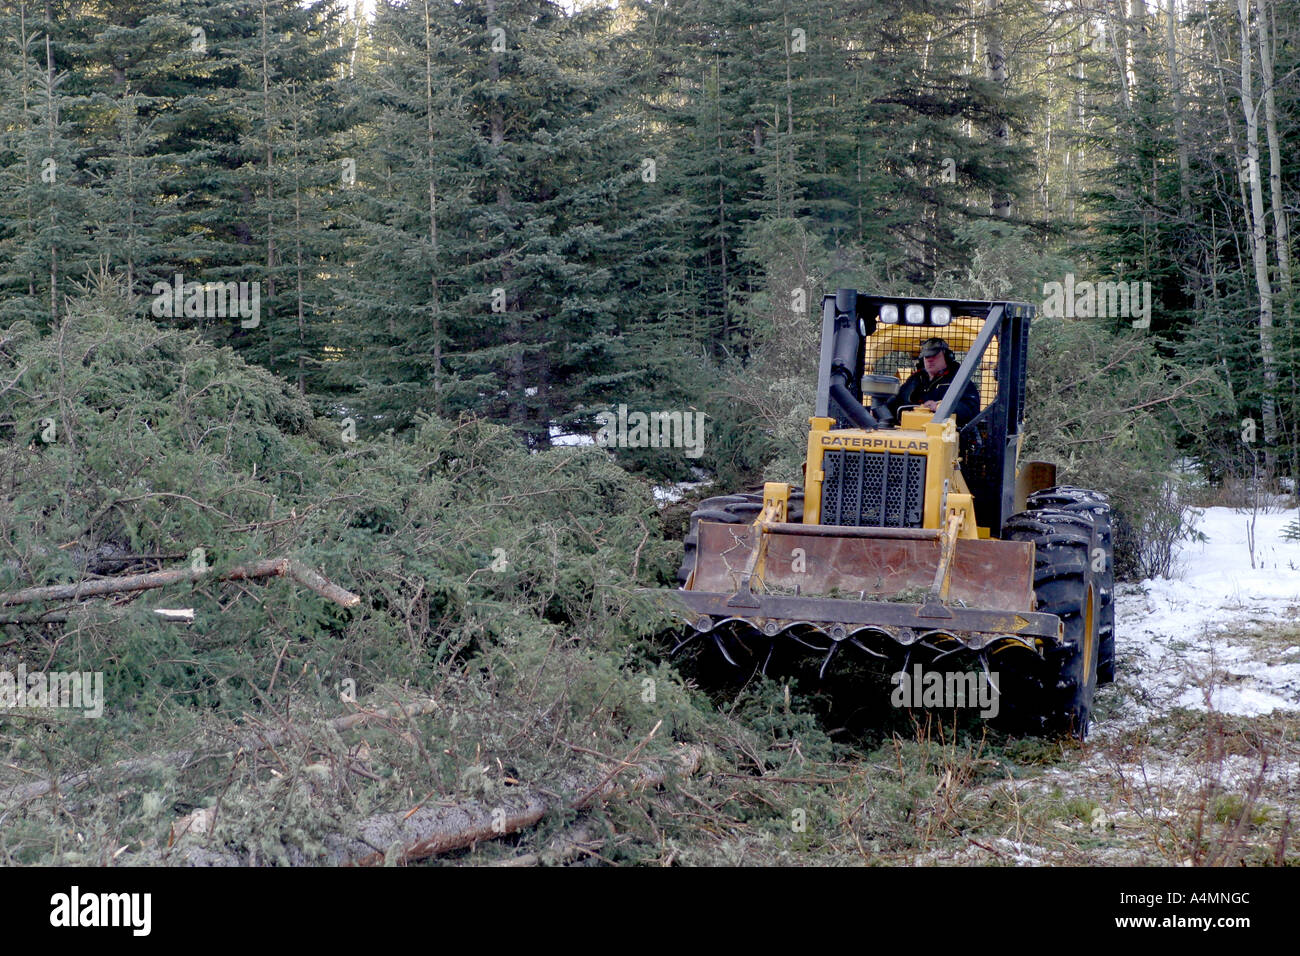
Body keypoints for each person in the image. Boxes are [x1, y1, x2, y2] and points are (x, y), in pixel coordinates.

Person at [886, 337, 980, 427]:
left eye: (934, 356)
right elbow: (895, 403)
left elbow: (971, 410)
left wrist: (939, 407)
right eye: (926, 357)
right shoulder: (914, 380)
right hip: (910, 432)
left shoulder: (959, 381)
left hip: (945, 435)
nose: (929, 360)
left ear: (947, 357)